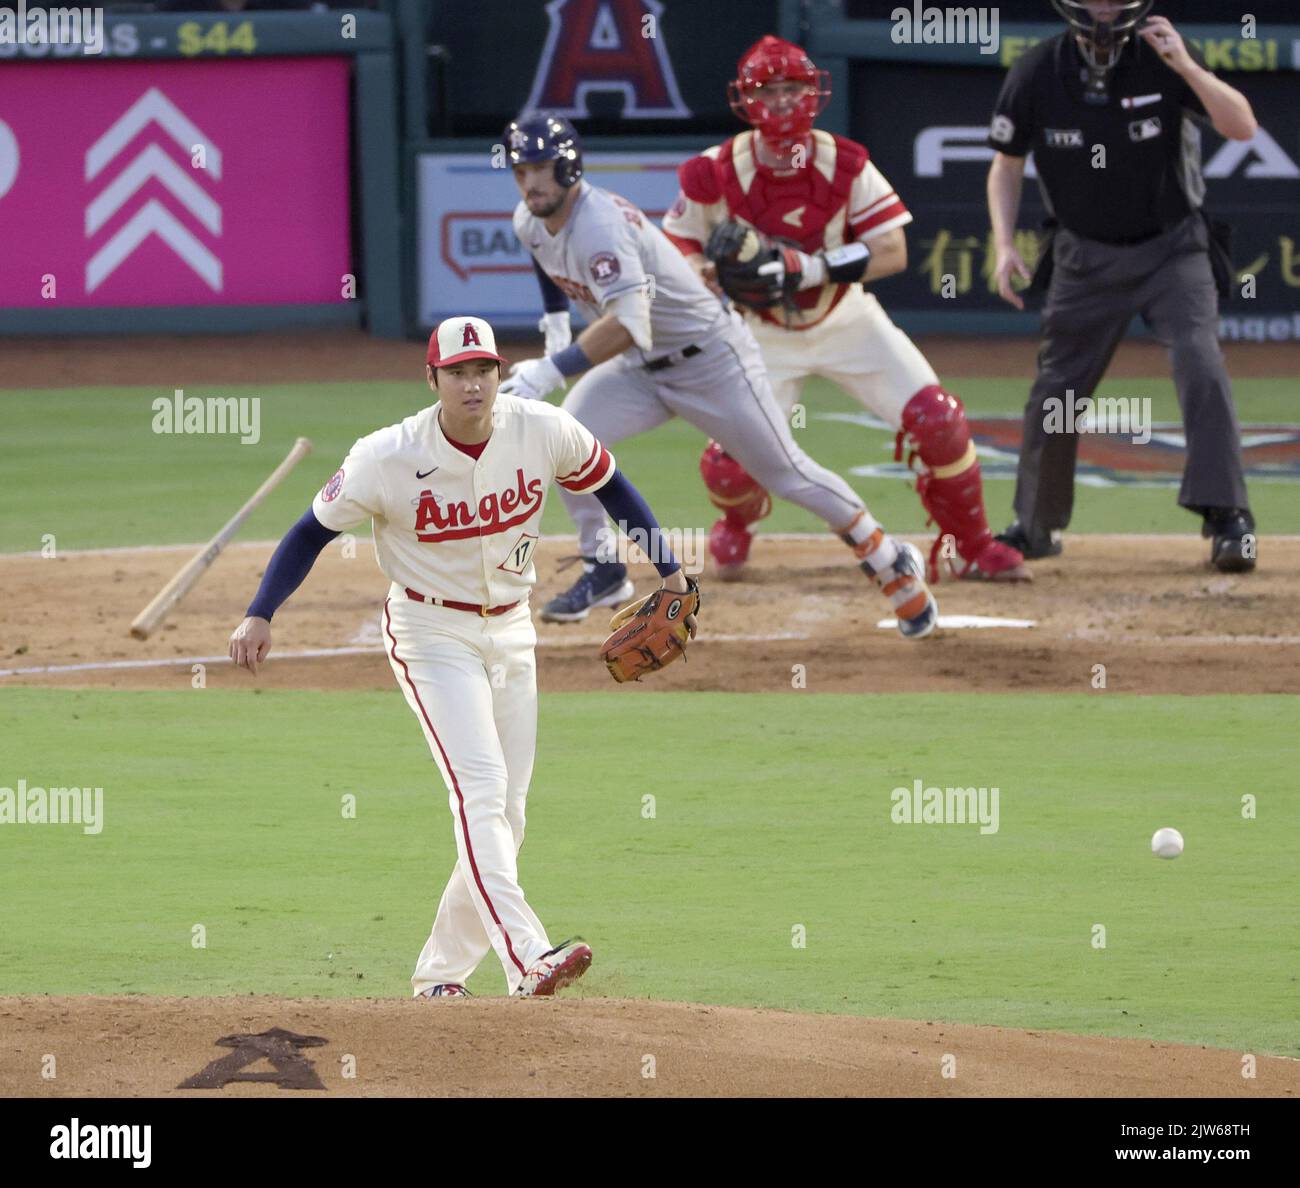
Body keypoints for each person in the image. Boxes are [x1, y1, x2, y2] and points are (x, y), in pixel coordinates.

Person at [227, 315, 696, 998]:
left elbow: (612, 485)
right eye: (458, 373)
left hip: (512, 628)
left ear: (499, 373)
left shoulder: (542, 429)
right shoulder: (385, 456)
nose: (473, 384)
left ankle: (438, 976)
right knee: (478, 792)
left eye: (484, 369)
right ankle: (528, 957)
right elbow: (309, 532)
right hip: (429, 634)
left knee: (511, 811)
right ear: (433, 380)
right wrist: (261, 611)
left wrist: (672, 572)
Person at [502, 112, 940, 639]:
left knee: (786, 475)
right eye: (522, 170)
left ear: (569, 167)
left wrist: (550, 368)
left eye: (542, 169)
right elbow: (543, 254)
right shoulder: (530, 219)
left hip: (710, 360)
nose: (531, 182)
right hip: (643, 368)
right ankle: (605, 570)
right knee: (566, 441)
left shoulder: (599, 226)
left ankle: (889, 558)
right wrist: (554, 324)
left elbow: (626, 323)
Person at [660, 35, 1028, 585]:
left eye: (794, 89)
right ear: (746, 98)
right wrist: (700, 277)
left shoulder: (846, 162)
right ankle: (738, 520)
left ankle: (972, 545)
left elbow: (892, 252)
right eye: (770, 90)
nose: (783, 102)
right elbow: (677, 243)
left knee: (940, 420)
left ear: (815, 93)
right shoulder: (715, 170)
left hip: (845, 318)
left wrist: (810, 269)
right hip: (758, 333)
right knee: (728, 466)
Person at [987, 1, 1260, 572]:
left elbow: (1242, 127)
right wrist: (1004, 243)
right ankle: (1034, 527)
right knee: (1057, 390)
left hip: (1173, 248)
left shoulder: (1166, 58)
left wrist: (1187, 66)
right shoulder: (1037, 69)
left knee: (1200, 359)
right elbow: (1006, 164)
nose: (1106, 9)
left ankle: (1228, 517)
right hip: (1084, 258)